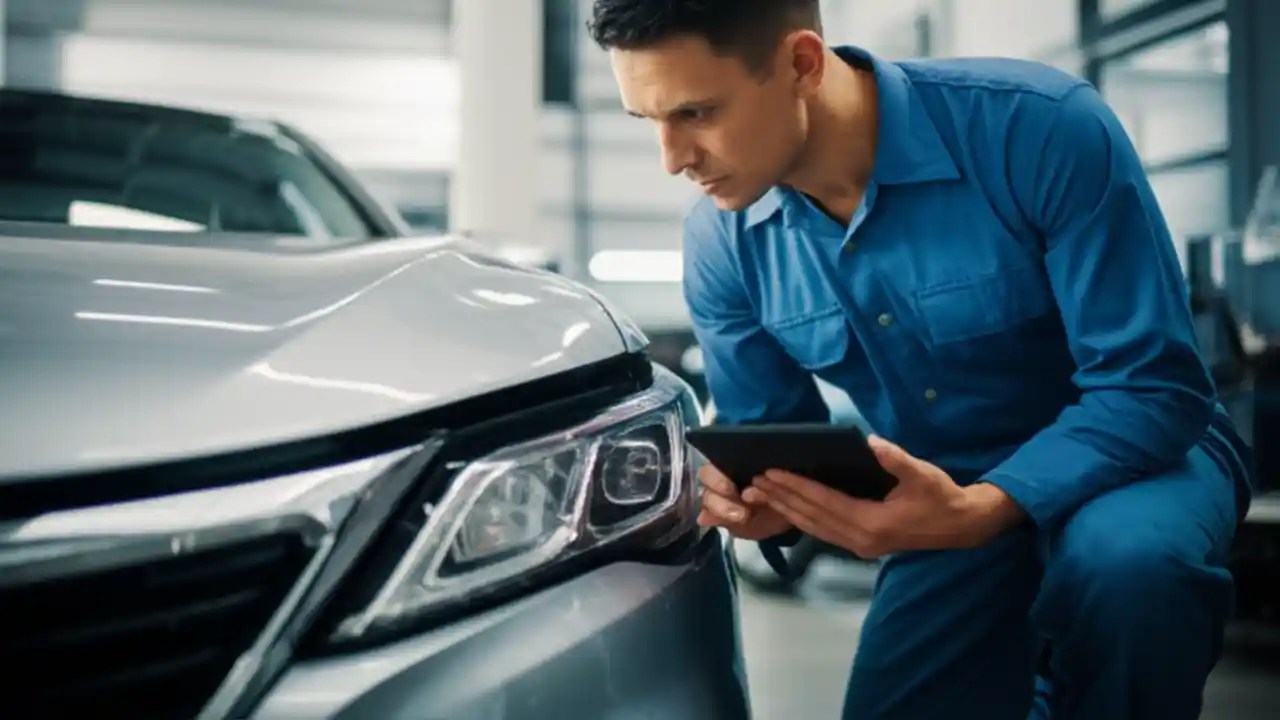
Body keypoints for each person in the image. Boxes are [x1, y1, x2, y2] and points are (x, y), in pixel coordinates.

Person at [587, 1, 1255, 719]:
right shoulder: (723, 242)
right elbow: (772, 433)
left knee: (1128, 570)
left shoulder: (1040, 128)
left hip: (1141, 457)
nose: (672, 160)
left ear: (802, 64)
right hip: (937, 494)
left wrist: (983, 509)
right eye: (647, 121)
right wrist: (757, 505)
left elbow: (1152, 385)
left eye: (696, 112)